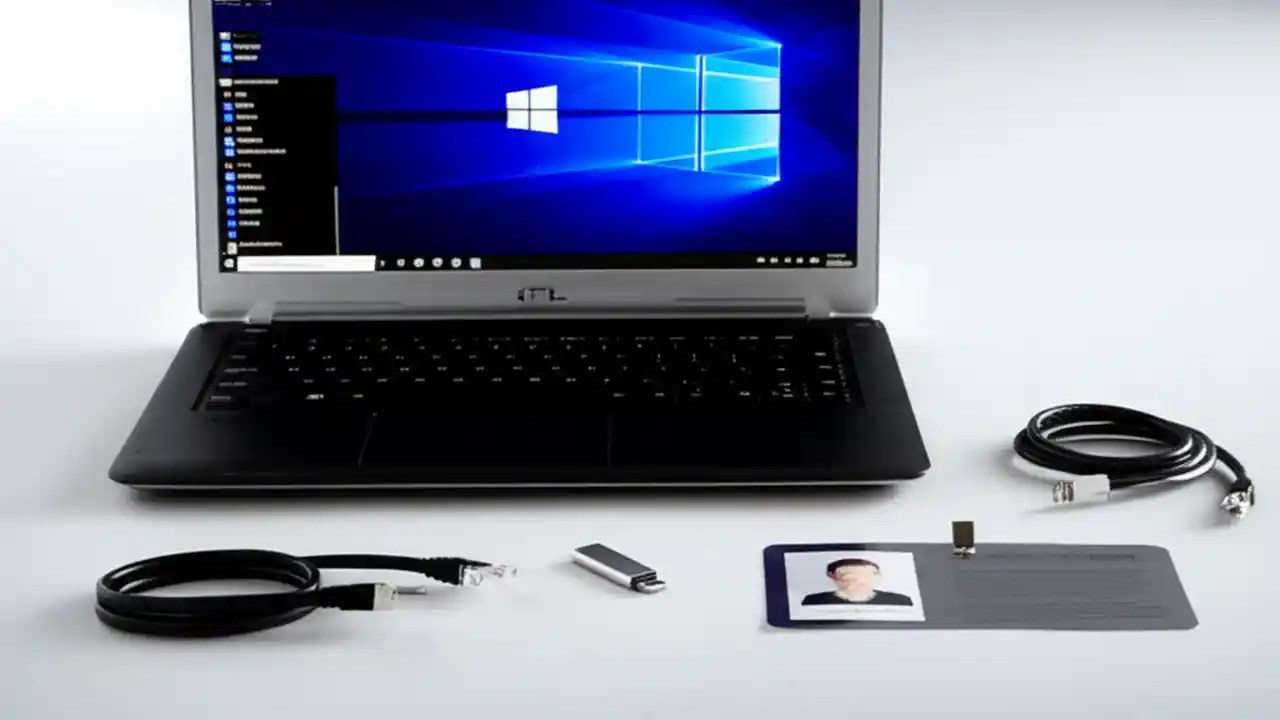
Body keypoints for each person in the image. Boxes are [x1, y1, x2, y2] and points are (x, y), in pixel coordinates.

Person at [802, 558, 914, 606]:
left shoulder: (900, 601)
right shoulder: (813, 600)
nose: (859, 580)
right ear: (831, 577)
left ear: (878, 576)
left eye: (866, 575)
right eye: (848, 575)